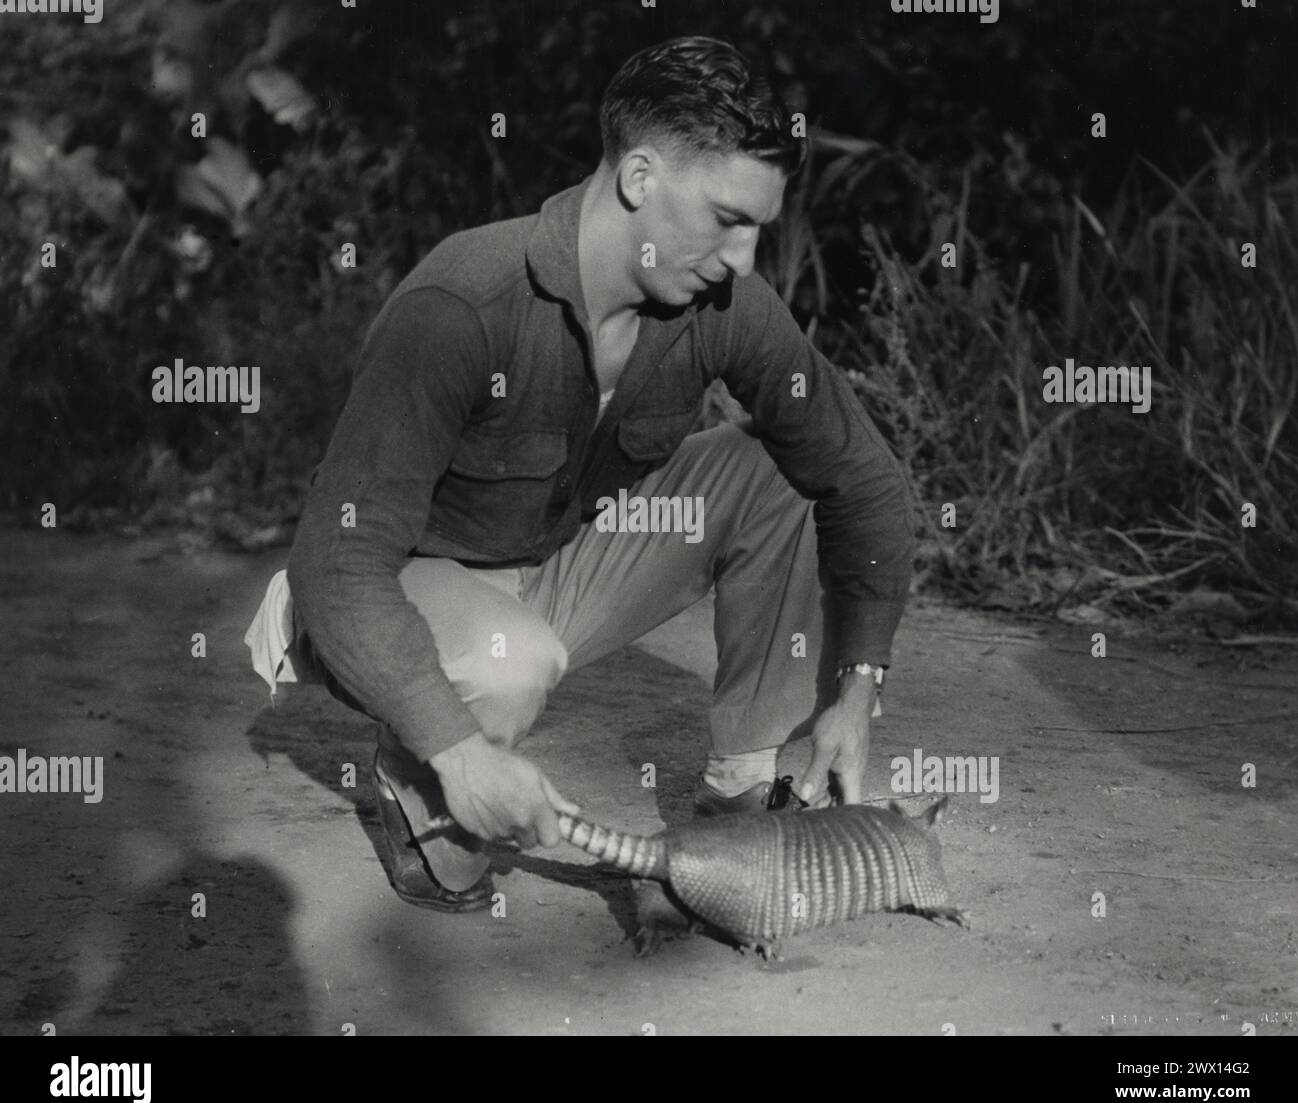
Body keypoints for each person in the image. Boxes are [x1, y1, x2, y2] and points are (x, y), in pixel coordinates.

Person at [247, 35, 914, 911]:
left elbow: (864, 482)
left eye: (760, 227)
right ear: (640, 179)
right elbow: (337, 561)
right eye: (727, 219)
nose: (745, 259)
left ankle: (746, 785)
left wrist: (855, 693)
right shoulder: (464, 301)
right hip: (406, 586)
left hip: (555, 567)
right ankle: (416, 765)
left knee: (778, 467)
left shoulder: (721, 303)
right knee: (510, 665)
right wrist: (458, 751)